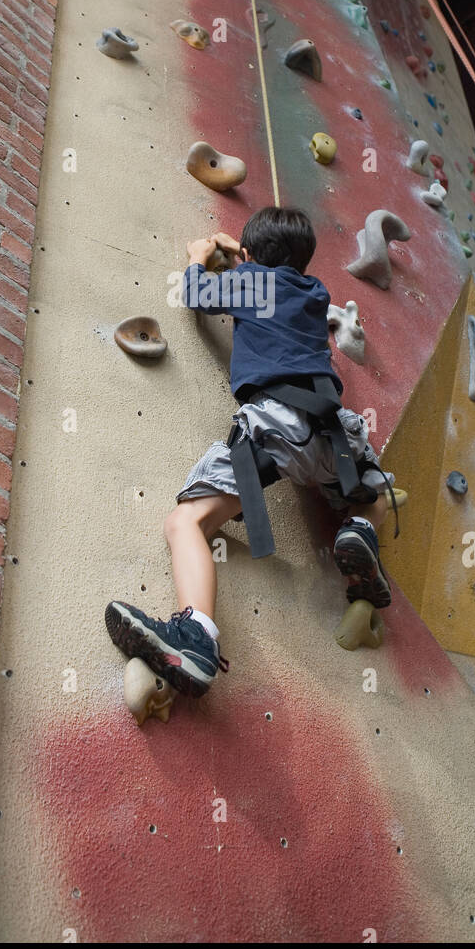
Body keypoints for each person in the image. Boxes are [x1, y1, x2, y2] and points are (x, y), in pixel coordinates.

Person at [105, 206, 398, 698]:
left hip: (275, 429)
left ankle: (197, 634)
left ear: (246, 257)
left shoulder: (253, 284)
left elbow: (194, 295)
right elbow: (279, 285)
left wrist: (199, 256)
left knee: (185, 523)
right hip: (336, 436)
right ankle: (360, 527)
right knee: (360, 488)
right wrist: (248, 259)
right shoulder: (315, 292)